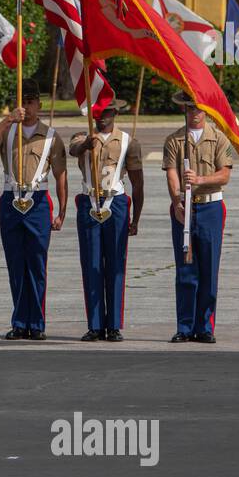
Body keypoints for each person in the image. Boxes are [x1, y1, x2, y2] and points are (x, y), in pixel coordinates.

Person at [0, 79, 68, 340]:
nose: (27, 107)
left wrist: (62, 211)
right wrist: (7, 121)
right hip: (11, 200)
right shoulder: (8, 132)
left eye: (31, 102)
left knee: (37, 265)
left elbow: (61, 174)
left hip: (38, 201)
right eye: (23, 102)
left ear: (39, 104)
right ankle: (20, 321)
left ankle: (37, 323)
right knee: (16, 264)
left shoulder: (51, 136)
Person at [68, 99, 143, 341]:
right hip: (89, 202)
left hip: (116, 203)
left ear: (115, 113)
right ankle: (95, 324)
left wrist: (136, 218)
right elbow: (73, 150)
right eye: (98, 112)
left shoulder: (128, 141)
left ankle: (114, 325)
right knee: (91, 265)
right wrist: (86, 146)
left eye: (107, 112)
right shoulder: (82, 136)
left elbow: (137, 181)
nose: (102, 117)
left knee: (116, 265)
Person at [163, 90, 233, 344]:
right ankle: (184, 326)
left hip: (210, 208)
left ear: (206, 110)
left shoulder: (218, 139)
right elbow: (171, 173)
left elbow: (224, 174)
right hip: (184, 208)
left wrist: (200, 179)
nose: (195, 113)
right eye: (190, 109)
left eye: (199, 108)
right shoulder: (174, 140)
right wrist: (176, 201)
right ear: (184, 110)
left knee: (209, 268)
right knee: (185, 269)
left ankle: (205, 326)